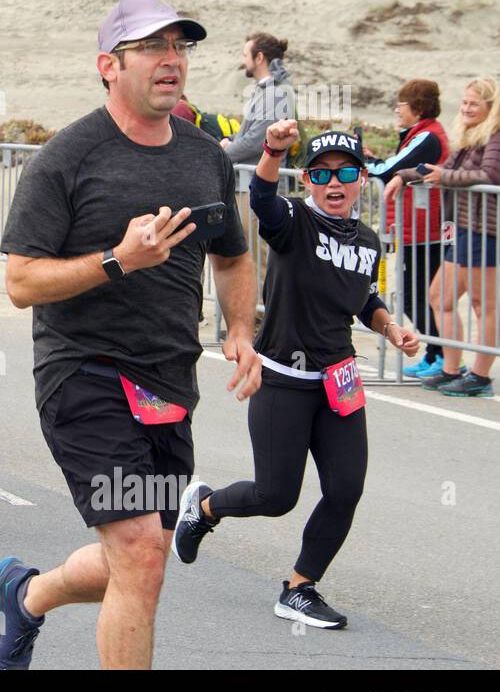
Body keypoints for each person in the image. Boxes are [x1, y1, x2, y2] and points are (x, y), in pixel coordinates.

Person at [0, 0, 261, 670]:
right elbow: (20, 279)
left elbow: (231, 252)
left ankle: (26, 594)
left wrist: (242, 328)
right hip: (84, 376)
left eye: (181, 47)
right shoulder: (66, 157)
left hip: (167, 382)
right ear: (109, 65)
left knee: (140, 557)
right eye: (153, 47)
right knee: (140, 551)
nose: (173, 60)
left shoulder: (204, 156)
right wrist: (116, 260)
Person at [173, 123, 420, 628]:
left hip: (339, 381)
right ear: (307, 179)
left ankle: (300, 587)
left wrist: (391, 327)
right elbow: (261, 194)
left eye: (347, 173)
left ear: (361, 179)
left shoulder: (368, 240)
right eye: (322, 173)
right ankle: (205, 506)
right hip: (284, 376)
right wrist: (272, 150)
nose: (335, 183)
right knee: (276, 496)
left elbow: (364, 297)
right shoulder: (294, 221)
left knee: (346, 488)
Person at [385, 77, 500, 398]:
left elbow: (490, 175)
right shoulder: (469, 136)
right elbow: (440, 167)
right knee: (439, 297)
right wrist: (403, 175)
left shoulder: (494, 134)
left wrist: (444, 176)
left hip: (484, 228)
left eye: (473, 104)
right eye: (464, 103)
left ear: (490, 107)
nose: (465, 109)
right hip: (463, 226)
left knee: (482, 304)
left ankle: (480, 375)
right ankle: (452, 367)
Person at [365, 79, 450, 379]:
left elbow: (390, 168)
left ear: (416, 107)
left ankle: (443, 353)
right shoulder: (420, 134)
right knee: (417, 293)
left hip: (425, 230)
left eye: (400, 105)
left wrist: (365, 162)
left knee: (419, 295)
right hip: (415, 228)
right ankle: (435, 351)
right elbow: (393, 165)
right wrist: (373, 161)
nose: (397, 110)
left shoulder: (427, 136)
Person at [221, 33, 294, 165]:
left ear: (259, 58)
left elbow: (254, 142)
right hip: (253, 178)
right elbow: (249, 132)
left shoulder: (275, 94)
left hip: (262, 181)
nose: (244, 62)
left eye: (246, 56)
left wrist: (220, 153)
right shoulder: (264, 90)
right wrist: (228, 139)